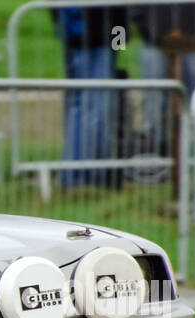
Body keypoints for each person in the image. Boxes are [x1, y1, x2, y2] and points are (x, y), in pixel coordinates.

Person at [129, 3, 195, 154]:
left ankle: (194, 154)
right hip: (153, 41)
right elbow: (133, 7)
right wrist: (151, 27)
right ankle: (156, 154)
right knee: (154, 100)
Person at [52, 5, 129, 187]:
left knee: (85, 105)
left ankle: (82, 173)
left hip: (91, 36)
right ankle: (81, 175)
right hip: (92, 37)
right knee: (92, 106)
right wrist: (120, 39)